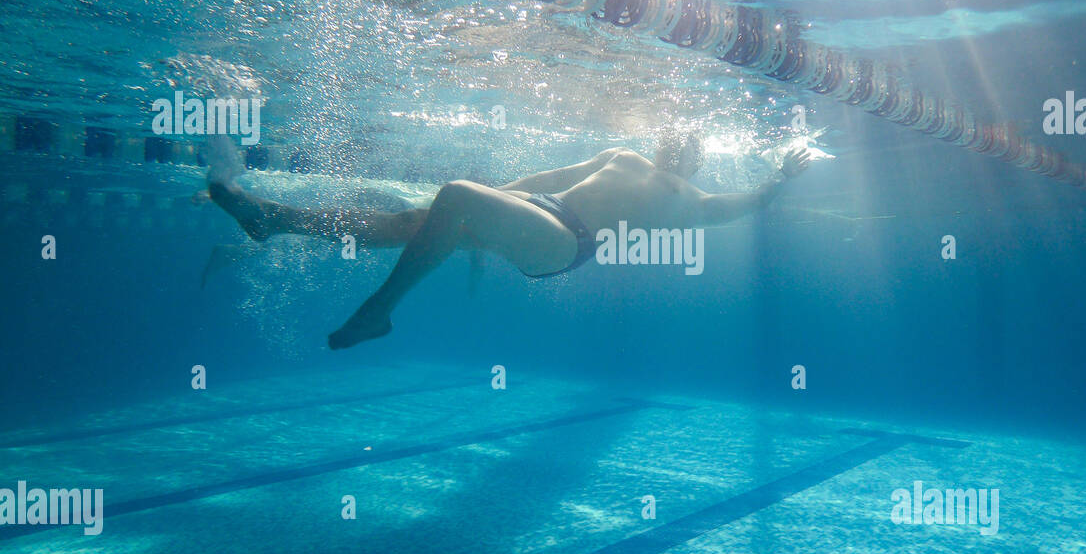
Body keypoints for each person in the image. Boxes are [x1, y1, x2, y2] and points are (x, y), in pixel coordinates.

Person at [204, 132, 811, 348]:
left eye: (692, 143)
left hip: (564, 245)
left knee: (457, 195)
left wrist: (782, 175)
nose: (682, 144)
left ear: (699, 157)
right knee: (408, 224)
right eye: (677, 135)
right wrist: (495, 201)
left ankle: (377, 313)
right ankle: (274, 218)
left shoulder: (693, 201)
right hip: (539, 209)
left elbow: (750, 204)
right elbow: (550, 179)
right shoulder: (622, 155)